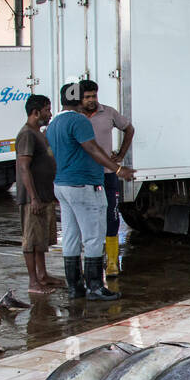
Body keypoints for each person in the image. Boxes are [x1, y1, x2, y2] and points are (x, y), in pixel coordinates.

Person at [46, 81, 135, 302]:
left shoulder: (55, 122)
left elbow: (51, 153)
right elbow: (92, 148)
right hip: (84, 184)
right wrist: (118, 169)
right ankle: (95, 287)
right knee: (94, 236)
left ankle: (75, 287)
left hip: (63, 185)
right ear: (78, 100)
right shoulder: (79, 120)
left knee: (71, 236)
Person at [80, 80, 134, 277]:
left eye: (94, 96)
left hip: (108, 175)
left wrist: (120, 155)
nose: (92, 100)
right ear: (80, 98)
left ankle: (112, 262)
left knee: (111, 215)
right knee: (88, 219)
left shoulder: (109, 113)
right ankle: (91, 261)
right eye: (87, 97)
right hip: (85, 177)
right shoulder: (76, 118)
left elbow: (129, 129)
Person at [15, 93, 63, 294]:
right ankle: (33, 282)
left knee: (41, 239)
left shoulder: (38, 133)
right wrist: (33, 197)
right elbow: (24, 167)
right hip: (32, 198)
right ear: (36, 112)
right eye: (47, 109)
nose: (50, 114)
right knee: (31, 240)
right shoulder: (27, 134)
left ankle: (43, 275)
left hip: (44, 195)